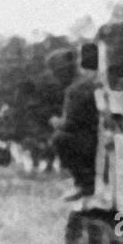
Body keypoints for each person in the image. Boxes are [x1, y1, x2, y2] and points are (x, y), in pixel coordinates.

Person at [47, 47, 98, 201]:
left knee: (59, 139)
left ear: (63, 71)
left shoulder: (75, 89)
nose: (55, 77)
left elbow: (70, 124)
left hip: (93, 141)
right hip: (101, 134)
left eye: (55, 73)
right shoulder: (92, 78)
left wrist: (55, 122)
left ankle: (86, 184)